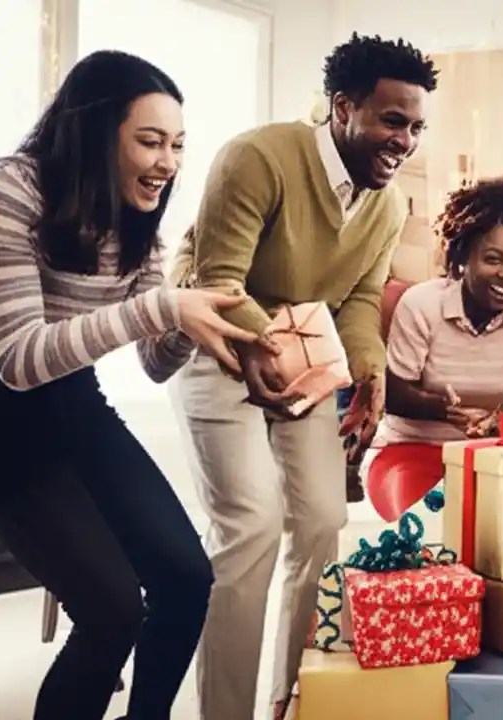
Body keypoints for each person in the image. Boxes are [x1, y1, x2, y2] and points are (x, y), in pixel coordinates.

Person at [0, 50, 259, 719]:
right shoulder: (4, 191)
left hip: (75, 407)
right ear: (94, 133)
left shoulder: (141, 225)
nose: (168, 162)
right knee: (110, 612)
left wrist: (195, 314)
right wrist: (161, 308)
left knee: (189, 580)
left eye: (178, 145)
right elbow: (16, 359)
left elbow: (154, 363)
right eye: (150, 141)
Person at [171, 33, 432, 720]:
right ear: (343, 108)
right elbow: (217, 281)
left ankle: (290, 701)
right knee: (252, 525)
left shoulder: (389, 204)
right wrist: (279, 341)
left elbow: (355, 301)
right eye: (391, 120)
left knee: (320, 520)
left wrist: (369, 372)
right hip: (219, 344)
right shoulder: (258, 157)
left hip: (303, 361)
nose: (404, 140)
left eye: (414, 126)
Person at [362, 175, 503, 519]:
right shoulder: (422, 304)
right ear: (464, 255)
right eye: (494, 259)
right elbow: (392, 394)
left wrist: (500, 423)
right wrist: (442, 409)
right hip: (410, 449)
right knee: (424, 528)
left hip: (490, 454)